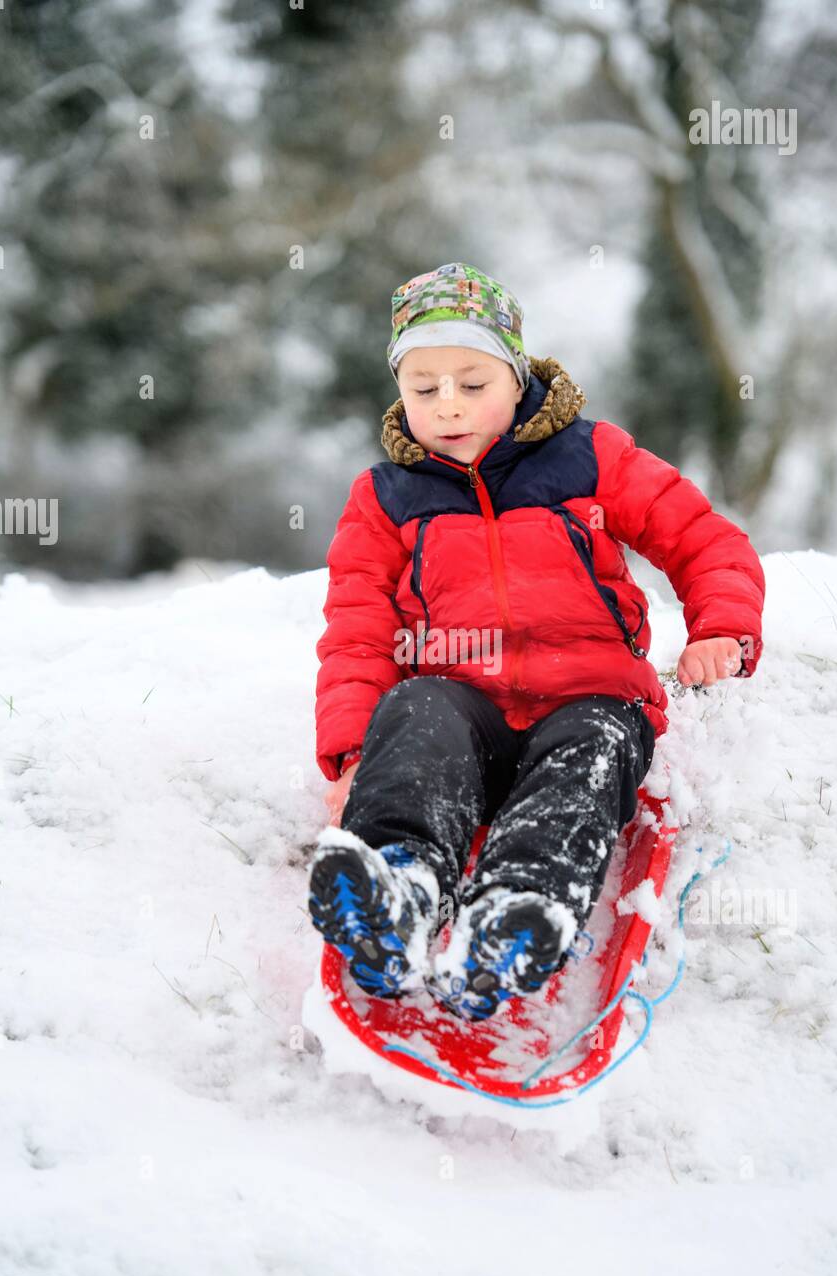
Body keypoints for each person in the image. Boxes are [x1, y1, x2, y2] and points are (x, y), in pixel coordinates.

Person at [308, 262, 765, 1021]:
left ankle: (517, 913)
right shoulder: (386, 496)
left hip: (589, 696)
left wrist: (720, 627)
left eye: (471, 381)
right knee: (418, 710)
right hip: (462, 705)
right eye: (423, 389)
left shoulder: (590, 458)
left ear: (517, 376)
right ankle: (397, 889)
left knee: (589, 750)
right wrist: (352, 752)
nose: (447, 405)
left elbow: (702, 539)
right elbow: (356, 631)